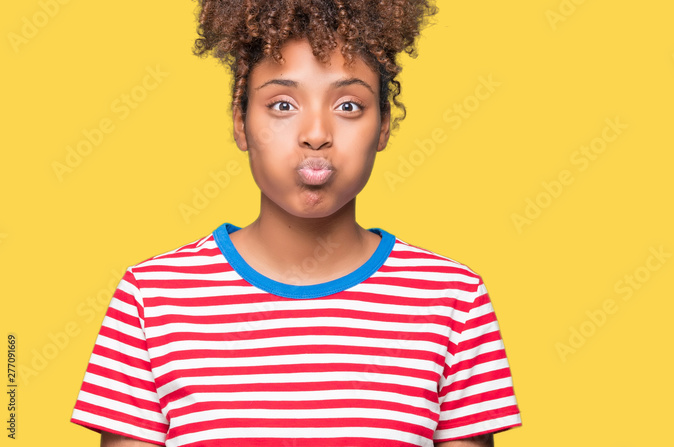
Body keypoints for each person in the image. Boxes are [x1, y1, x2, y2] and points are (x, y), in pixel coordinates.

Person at [69, 1, 521, 446]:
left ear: (383, 125)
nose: (317, 133)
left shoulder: (452, 301)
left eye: (348, 106)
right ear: (241, 122)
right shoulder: (152, 298)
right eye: (283, 105)